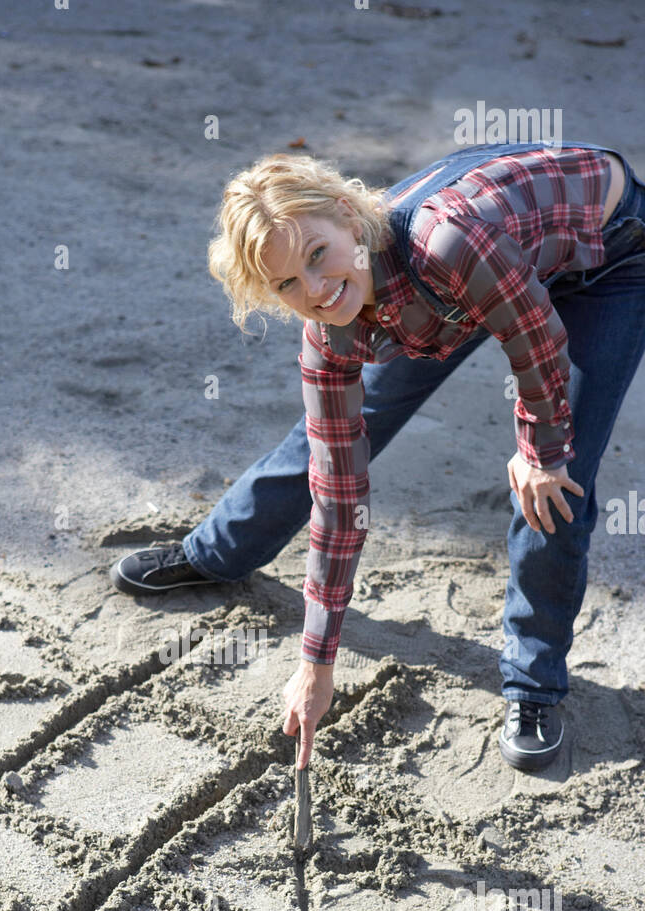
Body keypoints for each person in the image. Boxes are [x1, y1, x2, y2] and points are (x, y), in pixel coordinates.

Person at [110, 140, 645, 772]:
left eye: (317, 255)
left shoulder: (445, 242)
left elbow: (537, 338)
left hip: (603, 252)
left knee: (555, 484)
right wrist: (316, 662)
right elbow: (339, 493)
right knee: (331, 437)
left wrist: (541, 451)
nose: (314, 289)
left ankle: (534, 687)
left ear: (347, 213)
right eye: (287, 283)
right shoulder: (331, 328)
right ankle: (219, 551)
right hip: (473, 278)